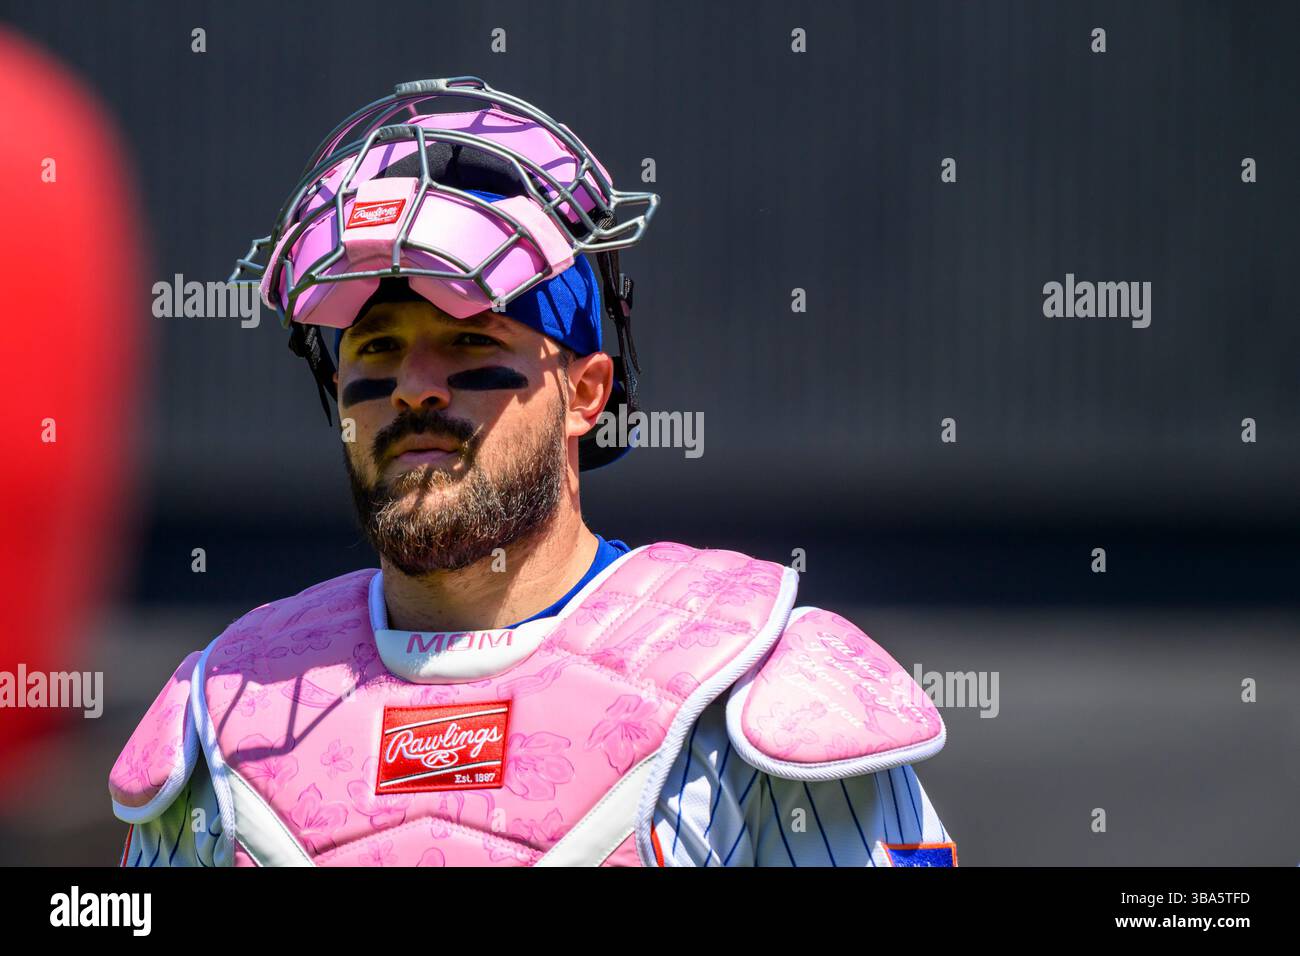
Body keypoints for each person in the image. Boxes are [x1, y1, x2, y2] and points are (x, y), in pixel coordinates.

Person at [110, 77, 955, 867]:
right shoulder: (220, 712)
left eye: (471, 339)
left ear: (586, 393)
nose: (415, 388)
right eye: (376, 347)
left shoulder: (750, 690)